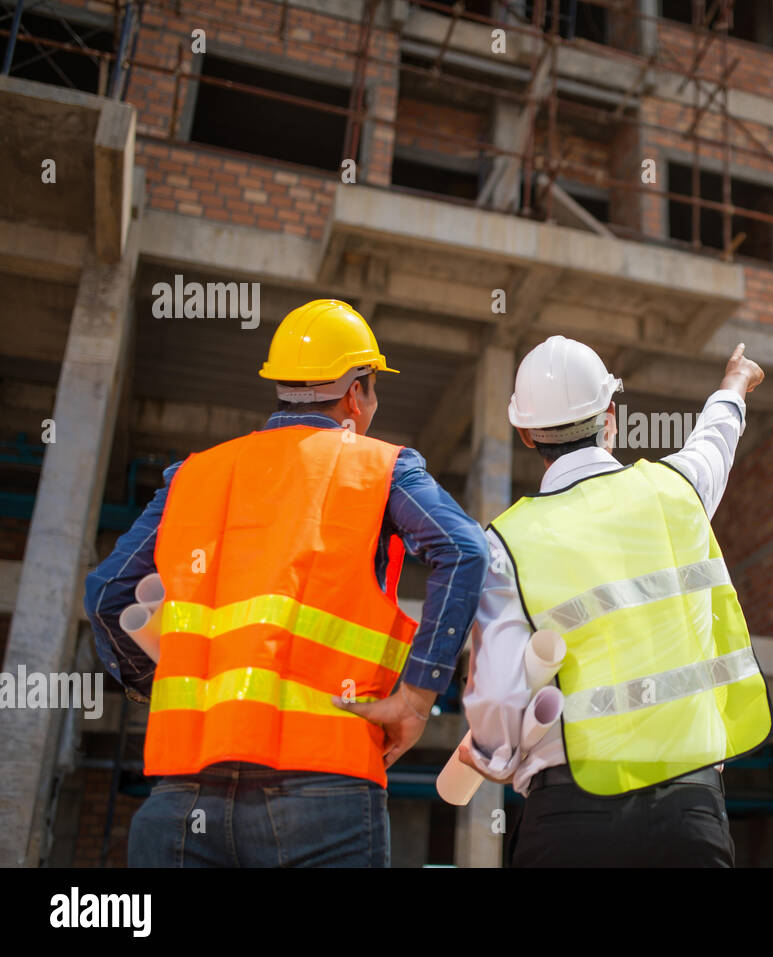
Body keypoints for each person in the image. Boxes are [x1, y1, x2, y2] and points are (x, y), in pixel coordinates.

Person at [85, 299, 488, 867]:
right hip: (324, 792)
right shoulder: (382, 467)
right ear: (357, 391)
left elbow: (107, 595)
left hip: (182, 794)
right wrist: (416, 700)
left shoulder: (194, 475)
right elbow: (464, 550)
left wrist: (159, 685)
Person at [460, 335, 772, 867]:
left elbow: (496, 701)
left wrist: (492, 752)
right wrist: (735, 384)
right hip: (688, 814)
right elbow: (714, 441)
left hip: (570, 822)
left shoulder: (505, 544)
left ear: (525, 432)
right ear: (611, 416)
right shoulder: (677, 491)